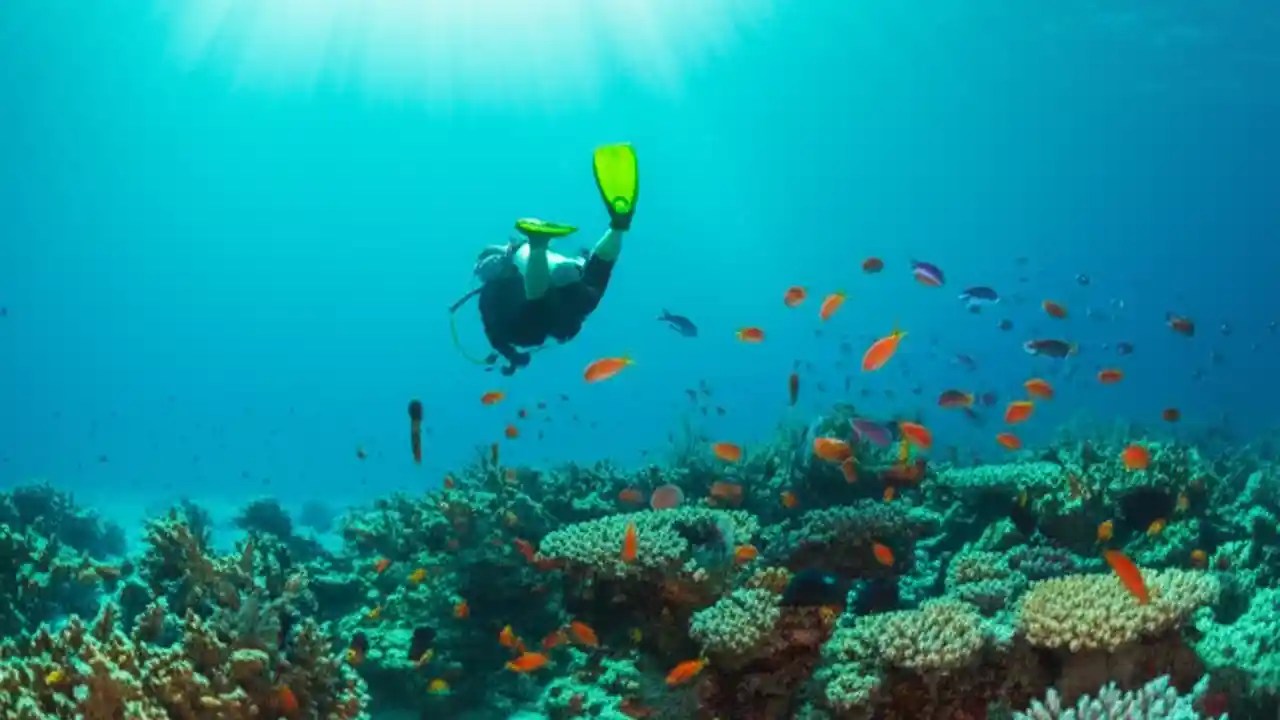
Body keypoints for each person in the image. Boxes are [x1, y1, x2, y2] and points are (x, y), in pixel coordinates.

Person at [458, 143, 639, 376]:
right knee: (595, 272)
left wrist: (514, 357)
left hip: (546, 322)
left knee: (540, 302)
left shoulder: (489, 295)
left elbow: (496, 336)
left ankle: (538, 244)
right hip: (571, 299)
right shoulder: (505, 281)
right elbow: (571, 270)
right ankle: (618, 226)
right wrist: (583, 260)